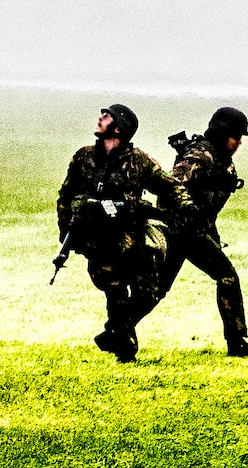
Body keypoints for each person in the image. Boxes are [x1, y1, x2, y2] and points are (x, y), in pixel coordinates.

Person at [56, 102, 187, 363]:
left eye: (106, 116)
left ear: (118, 128)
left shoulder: (139, 161)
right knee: (115, 292)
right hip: (99, 240)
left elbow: (170, 187)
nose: (100, 118)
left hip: (134, 239)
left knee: (148, 293)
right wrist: (66, 232)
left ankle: (113, 332)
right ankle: (126, 353)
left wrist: (187, 205)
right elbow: (66, 196)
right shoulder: (83, 158)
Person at [157, 106, 248, 358]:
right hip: (180, 231)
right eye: (235, 136)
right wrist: (187, 211)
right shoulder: (200, 158)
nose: (239, 142)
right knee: (223, 277)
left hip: (192, 232)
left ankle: (118, 330)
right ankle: (237, 344)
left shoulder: (219, 160)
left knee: (158, 289)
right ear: (221, 133)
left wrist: (210, 232)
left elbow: (208, 207)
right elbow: (170, 187)